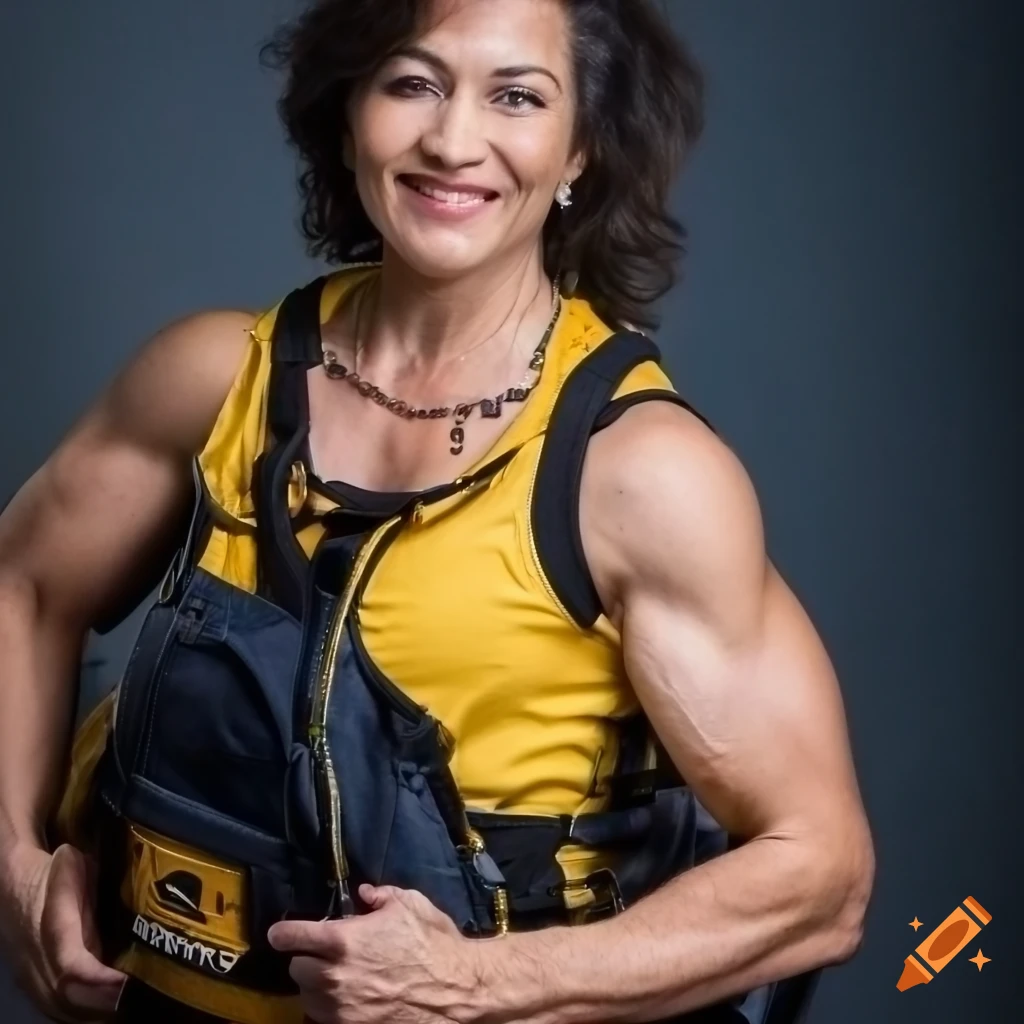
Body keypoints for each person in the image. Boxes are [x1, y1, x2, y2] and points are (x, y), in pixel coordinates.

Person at [0, 0, 875, 1021]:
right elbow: (23, 585)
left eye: (516, 96)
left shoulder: (634, 472)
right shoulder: (212, 379)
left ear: (579, 148)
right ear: (348, 115)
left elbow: (822, 876)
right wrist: (14, 858)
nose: (453, 140)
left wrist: (472, 982)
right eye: (410, 83)